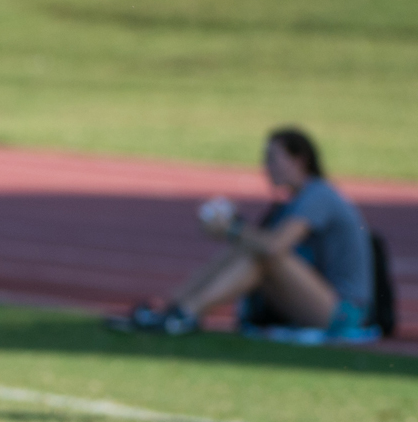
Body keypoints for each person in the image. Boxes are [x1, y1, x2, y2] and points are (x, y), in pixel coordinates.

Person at [111, 127, 377, 339]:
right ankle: (173, 308)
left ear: (299, 160)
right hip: (315, 298)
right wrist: (233, 230)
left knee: (262, 254)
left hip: (343, 312)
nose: (266, 166)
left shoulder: (318, 196)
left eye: (273, 158)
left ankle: (185, 314)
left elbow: (274, 248)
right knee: (248, 249)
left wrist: (233, 229)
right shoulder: (293, 202)